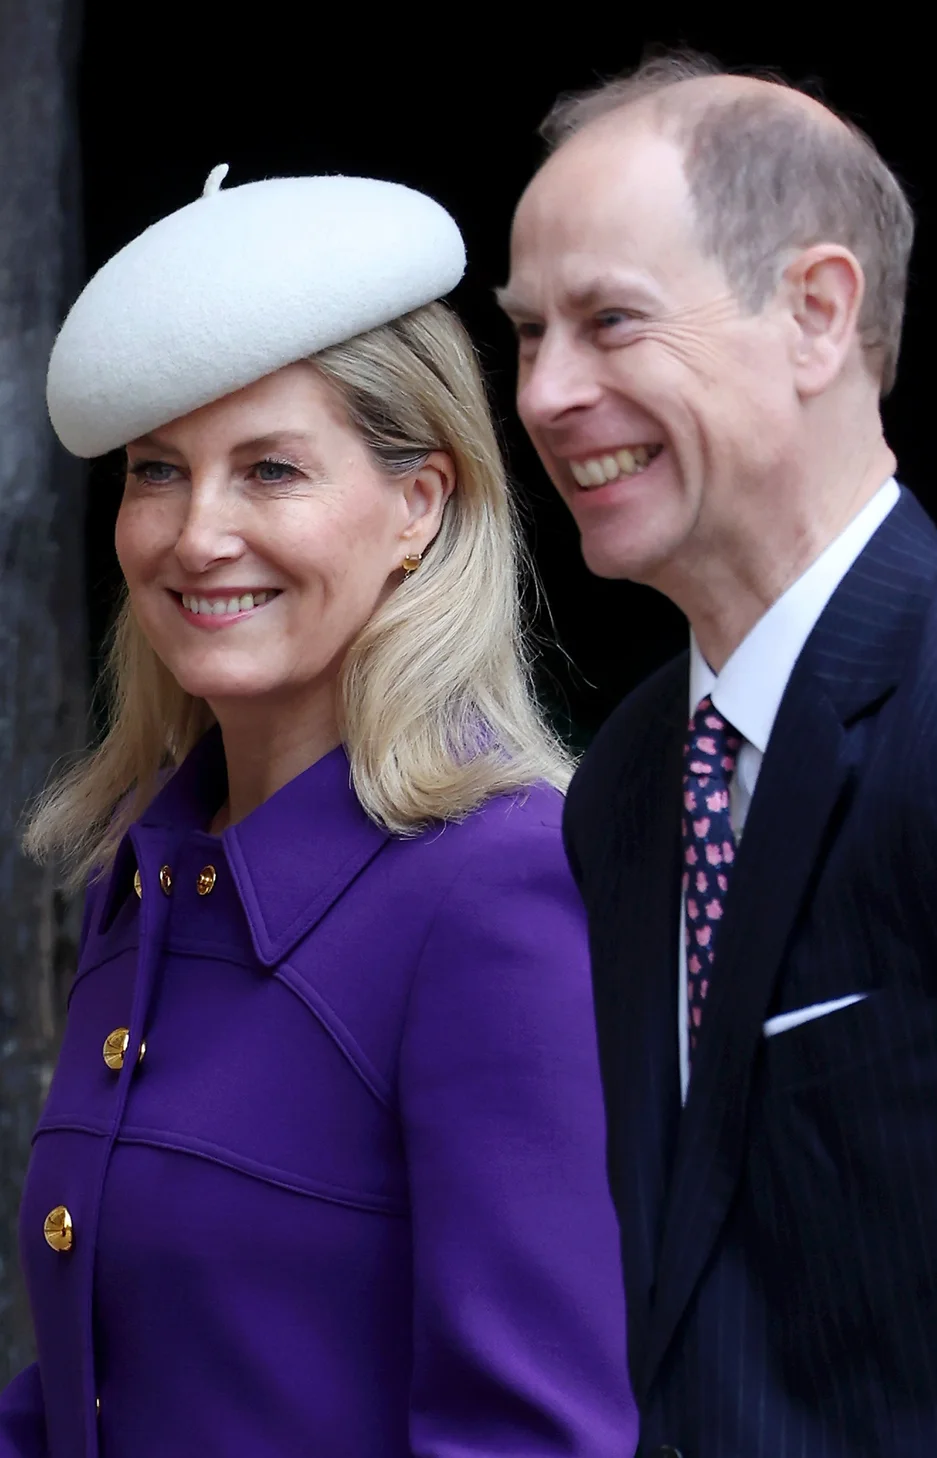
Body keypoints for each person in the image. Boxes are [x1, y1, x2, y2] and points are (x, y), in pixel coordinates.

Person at [0, 167, 637, 1458]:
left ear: (421, 503)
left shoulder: (500, 890)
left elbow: (532, 1436)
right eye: (157, 472)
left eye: (271, 469)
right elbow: (88, 1386)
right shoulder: (157, 872)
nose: (197, 533)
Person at [499, 48, 937, 1458]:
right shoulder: (630, 776)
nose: (544, 392)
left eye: (609, 321)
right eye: (530, 333)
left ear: (817, 313)